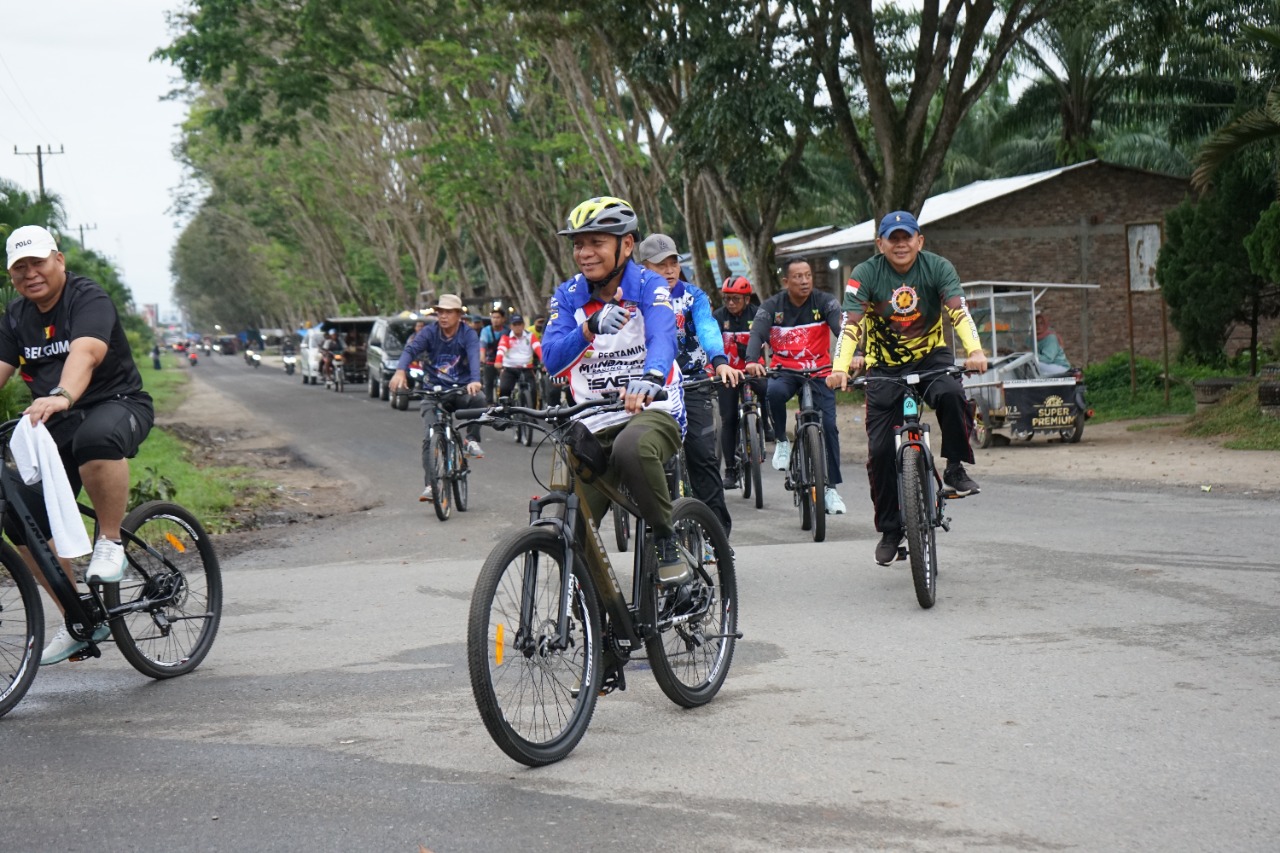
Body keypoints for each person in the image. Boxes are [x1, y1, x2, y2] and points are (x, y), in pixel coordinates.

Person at [0, 225, 155, 663]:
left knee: (96, 438)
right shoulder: (15, 318)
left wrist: (64, 396)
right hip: (55, 426)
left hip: (118, 404)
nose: (31, 274)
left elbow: (85, 353)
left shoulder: (87, 298)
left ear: (59, 260)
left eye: (38, 263)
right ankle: (80, 618)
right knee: (20, 513)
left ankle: (110, 541)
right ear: (12, 276)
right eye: (20, 268)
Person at [541, 196, 691, 584]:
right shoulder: (568, 295)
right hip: (593, 422)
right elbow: (553, 359)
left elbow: (662, 335)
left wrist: (652, 376)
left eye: (596, 243)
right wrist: (588, 328)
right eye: (578, 244)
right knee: (568, 528)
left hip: (651, 412)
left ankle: (665, 538)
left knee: (631, 448)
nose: (585, 253)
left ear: (626, 245)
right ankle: (602, 632)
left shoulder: (648, 284)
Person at [828, 210, 988, 565]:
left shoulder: (938, 267)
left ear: (920, 241)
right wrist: (840, 368)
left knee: (951, 393)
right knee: (881, 451)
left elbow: (958, 311)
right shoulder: (865, 274)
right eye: (892, 238)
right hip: (883, 365)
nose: (900, 244)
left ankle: (955, 468)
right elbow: (850, 324)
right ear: (879, 243)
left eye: (907, 237)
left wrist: (974, 350)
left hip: (931, 357)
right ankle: (890, 529)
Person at [636, 233, 740, 536]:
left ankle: (718, 537)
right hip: (650, 388)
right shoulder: (634, 299)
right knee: (646, 462)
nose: (669, 270)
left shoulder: (694, 296)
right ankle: (658, 535)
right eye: (660, 265)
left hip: (693, 383)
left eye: (673, 263)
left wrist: (719, 360)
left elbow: (707, 327)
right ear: (644, 267)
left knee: (703, 458)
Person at [744, 258, 847, 515]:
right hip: (785, 371)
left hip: (820, 371)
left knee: (830, 427)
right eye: (798, 277)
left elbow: (842, 329)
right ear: (786, 281)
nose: (804, 281)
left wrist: (851, 356)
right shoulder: (771, 307)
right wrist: (751, 361)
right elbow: (757, 333)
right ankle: (781, 441)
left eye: (808, 275)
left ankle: (831, 488)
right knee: (774, 392)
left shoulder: (825, 301)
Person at [387, 293, 486, 502]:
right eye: (440, 312)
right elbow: (411, 350)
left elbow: (474, 356)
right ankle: (431, 484)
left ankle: (471, 439)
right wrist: (400, 371)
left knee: (479, 399)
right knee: (429, 436)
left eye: (448, 312)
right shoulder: (429, 333)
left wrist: (475, 380)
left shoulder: (467, 334)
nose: (443, 316)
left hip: (460, 390)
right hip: (433, 393)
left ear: (459, 315)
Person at [713, 275, 772, 489]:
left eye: (735, 299)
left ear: (747, 299)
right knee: (728, 420)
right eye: (727, 298)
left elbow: (770, 338)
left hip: (753, 371)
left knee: (767, 389)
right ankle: (729, 469)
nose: (730, 303)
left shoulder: (758, 315)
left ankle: (766, 423)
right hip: (727, 375)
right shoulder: (718, 317)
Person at [494, 314, 542, 400]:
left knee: (533, 390)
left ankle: (533, 412)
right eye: (514, 324)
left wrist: (544, 361)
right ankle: (505, 411)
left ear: (523, 325)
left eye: (519, 324)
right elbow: (501, 349)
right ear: (511, 326)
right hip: (509, 368)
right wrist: (498, 361)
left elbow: (538, 348)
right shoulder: (506, 337)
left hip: (527, 368)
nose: (517, 327)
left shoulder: (530, 336)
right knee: (504, 389)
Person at [479, 308, 507, 402]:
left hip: (505, 361)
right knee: (488, 383)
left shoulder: (507, 331)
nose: (495, 320)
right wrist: (482, 356)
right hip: (490, 360)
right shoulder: (486, 331)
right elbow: (483, 344)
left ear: (503, 319)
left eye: (498, 317)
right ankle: (489, 404)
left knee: (506, 384)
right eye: (493, 317)